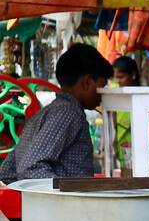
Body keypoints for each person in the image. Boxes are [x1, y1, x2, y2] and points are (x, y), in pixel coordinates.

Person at [0, 44, 111, 181]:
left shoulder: (45, 113)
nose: (103, 93)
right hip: (64, 201)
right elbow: (31, 167)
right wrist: (62, 197)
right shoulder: (69, 113)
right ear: (87, 82)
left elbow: (7, 172)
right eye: (102, 85)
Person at [110, 55, 140, 170]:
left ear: (133, 75)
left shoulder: (141, 96)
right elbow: (112, 116)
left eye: (121, 77)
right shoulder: (115, 91)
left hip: (140, 143)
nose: (118, 81)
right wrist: (114, 140)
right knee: (126, 171)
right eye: (115, 78)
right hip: (122, 143)